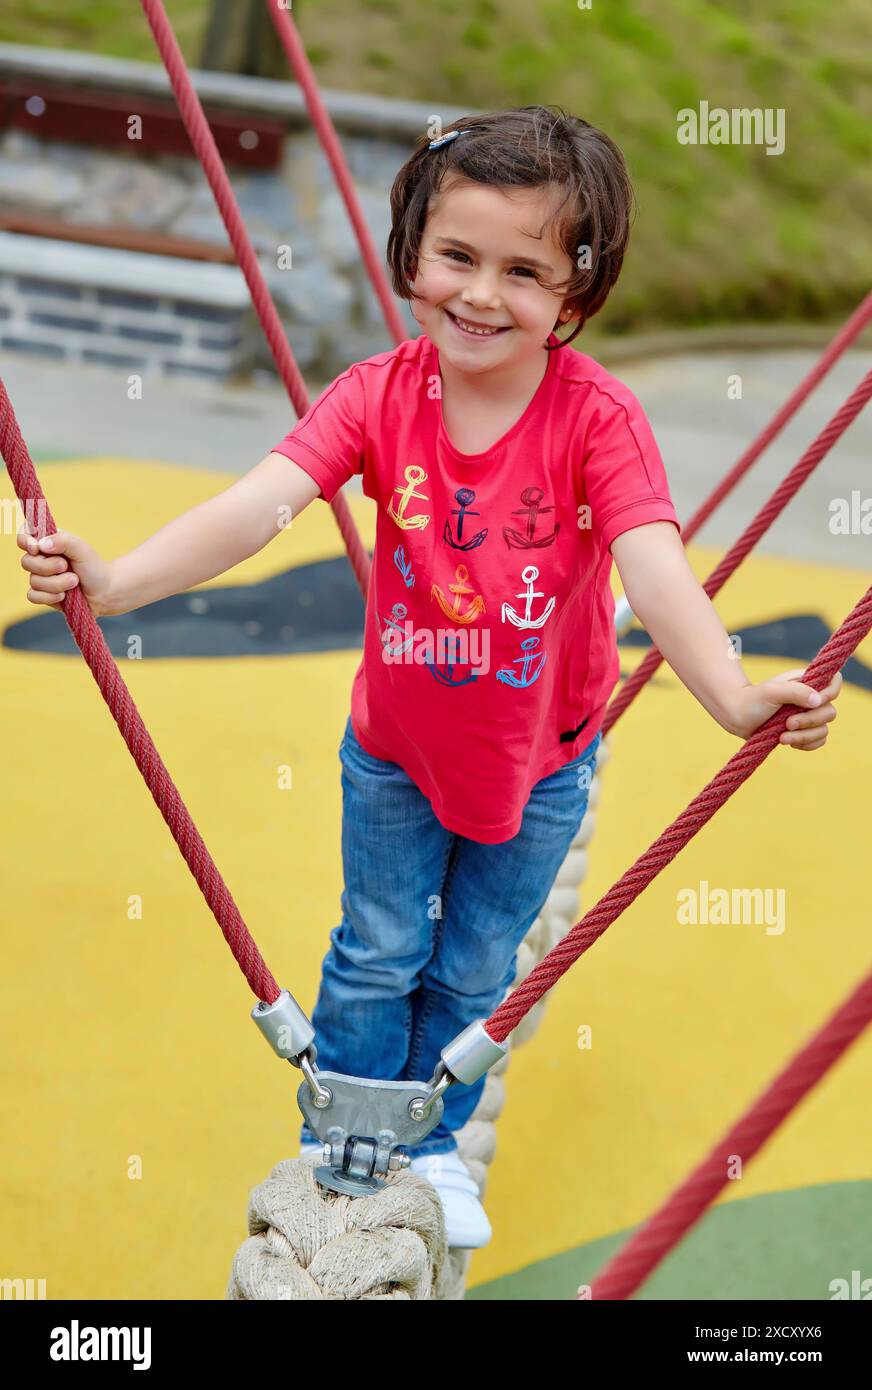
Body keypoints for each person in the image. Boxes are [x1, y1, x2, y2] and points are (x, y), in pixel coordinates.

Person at [18, 106, 841, 1250]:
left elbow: (654, 569)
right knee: (375, 950)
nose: (480, 293)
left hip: (539, 765)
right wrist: (114, 581)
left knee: (469, 971)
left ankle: (434, 1137)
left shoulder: (595, 421)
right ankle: (349, 1130)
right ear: (410, 252)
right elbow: (258, 508)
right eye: (457, 255)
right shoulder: (376, 394)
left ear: (575, 295)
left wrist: (731, 695)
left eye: (524, 270)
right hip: (396, 753)